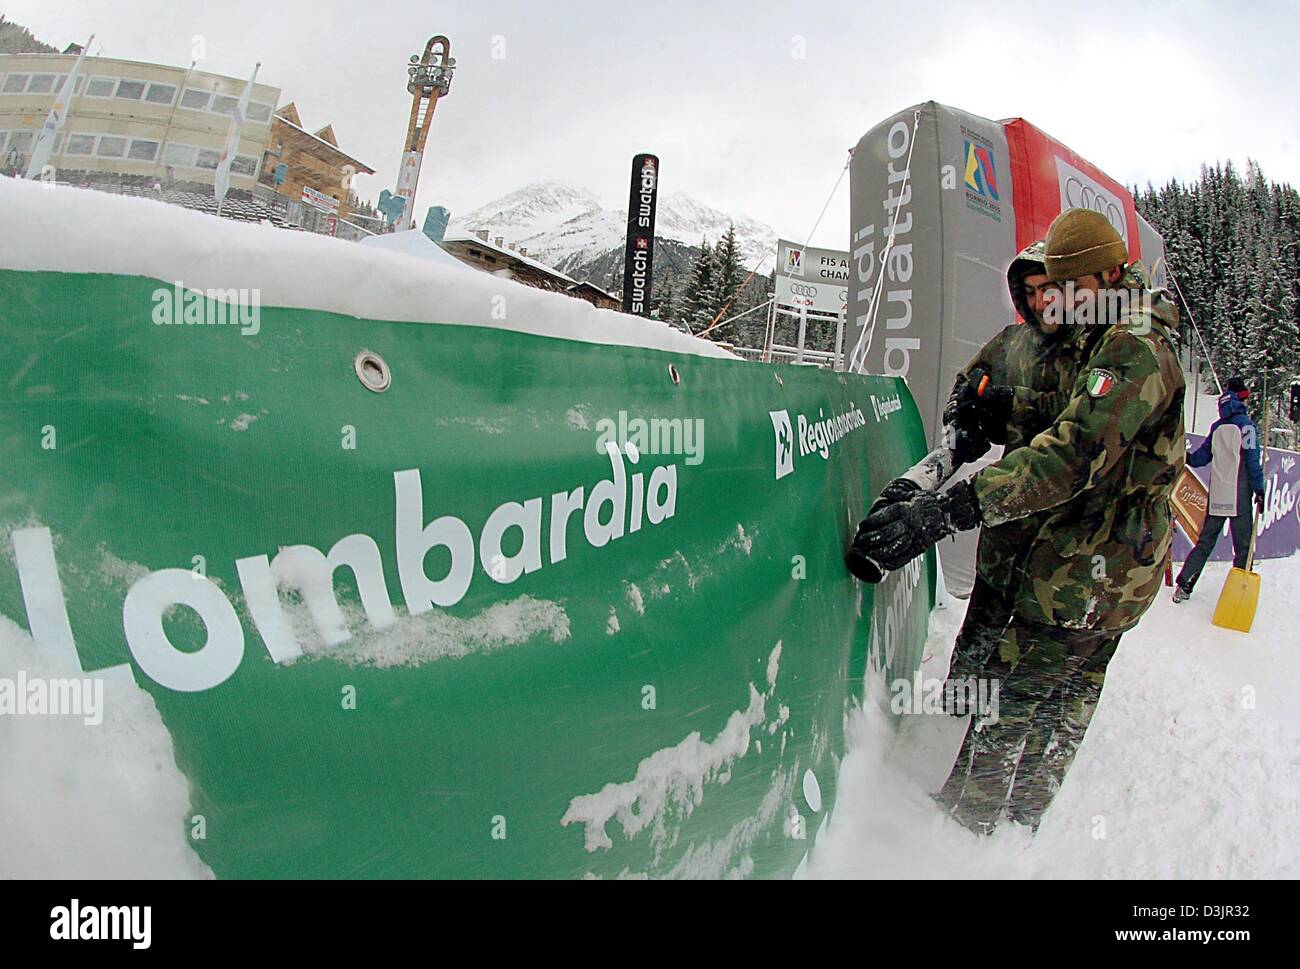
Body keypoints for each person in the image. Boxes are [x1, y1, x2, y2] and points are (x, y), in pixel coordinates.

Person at [848, 208, 1186, 834]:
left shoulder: (1135, 342)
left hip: (1088, 573)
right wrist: (996, 409)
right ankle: (1021, 825)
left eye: (1071, 288)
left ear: (1110, 272)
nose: (1058, 303)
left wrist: (950, 510)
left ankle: (963, 835)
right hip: (1098, 571)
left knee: (1014, 700)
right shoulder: (1101, 326)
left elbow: (1073, 450)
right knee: (1062, 705)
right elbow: (1048, 408)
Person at [1173, 376, 1265, 601]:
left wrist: (1182, 456)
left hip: (1218, 495)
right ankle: (1238, 595)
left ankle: (1184, 586)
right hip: (1239, 495)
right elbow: (1253, 461)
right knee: (1243, 547)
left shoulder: (1217, 427)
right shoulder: (1247, 426)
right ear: (1242, 398)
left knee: (1205, 542)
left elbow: (1199, 459)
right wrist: (1260, 490)